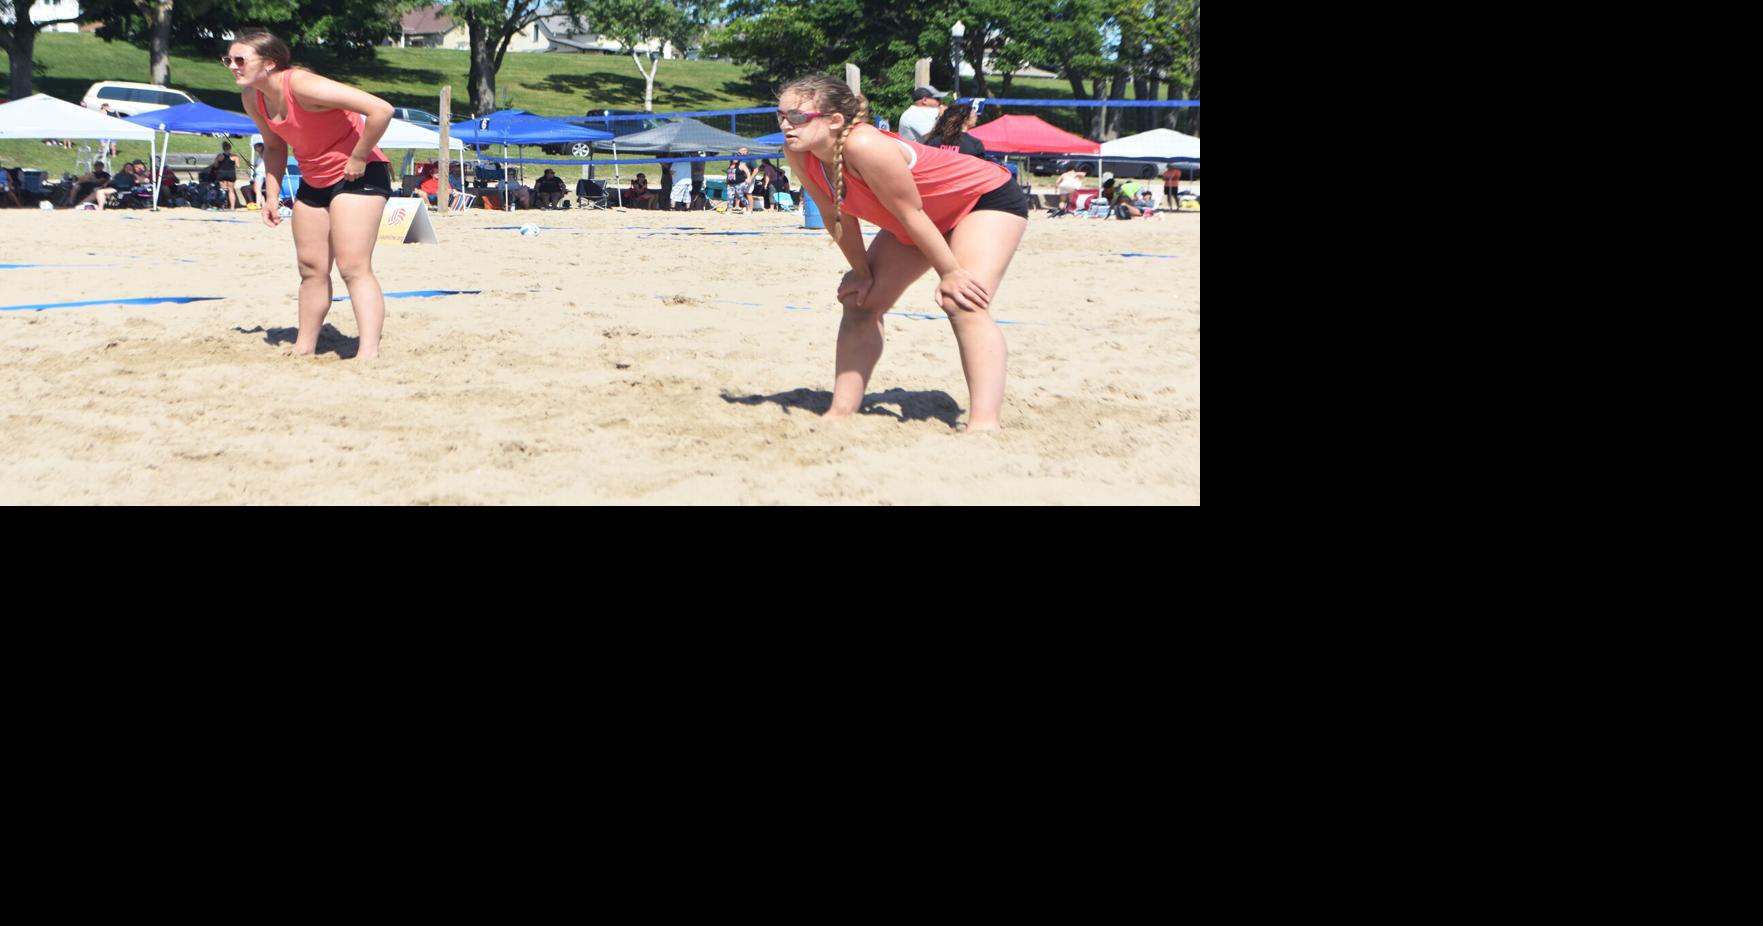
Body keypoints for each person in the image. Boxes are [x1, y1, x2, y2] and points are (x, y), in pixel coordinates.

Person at [780, 72, 1028, 432]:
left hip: (982, 200)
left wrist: (951, 272)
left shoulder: (864, 145)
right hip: (924, 218)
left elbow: (911, 213)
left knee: (962, 300)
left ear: (834, 121)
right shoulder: (800, 152)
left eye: (797, 116)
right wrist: (861, 272)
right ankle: (840, 413)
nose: (786, 124)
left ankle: (984, 425)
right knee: (858, 300)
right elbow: (837, 216)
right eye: (782, 115)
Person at [234, 30, 396, 360]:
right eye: (229, 60)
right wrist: (271, 195)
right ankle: (304, 348)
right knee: (311, 268)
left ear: (268, 64)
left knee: (353, 266)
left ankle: (368, 353)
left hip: (358, 173)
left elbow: (381, 110)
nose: (232, 66)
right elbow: (276, 146)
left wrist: (359, 155)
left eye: (240, 60)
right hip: (314, 178)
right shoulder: (253, 98)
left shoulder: (302, 85)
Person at [921, 104, 987, 159]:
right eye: (975, 116)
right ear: (966, 119)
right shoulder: (974, 143)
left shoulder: (933, 141)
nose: (977, 118)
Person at [207, 141, 242, 210]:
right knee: (231, 190)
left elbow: (216, 165)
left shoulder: (219, 156)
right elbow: (238, 166)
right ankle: (232, 207)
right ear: (230, 148)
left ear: (223, 148)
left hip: (221, 173)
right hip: (231, 173)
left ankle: (223, 205)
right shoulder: (234, 156)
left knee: (223, 190)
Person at [249, 141, 269, 208]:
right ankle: (263, 204)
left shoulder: (264, 154)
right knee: (259, 190)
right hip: (259, 173)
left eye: (256, 147)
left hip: (260, 174)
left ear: (261, 147)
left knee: (257, 190)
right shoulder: (260, 155)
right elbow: (257, 165)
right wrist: (251, 164)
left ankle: (258, 204)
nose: (255, 148)